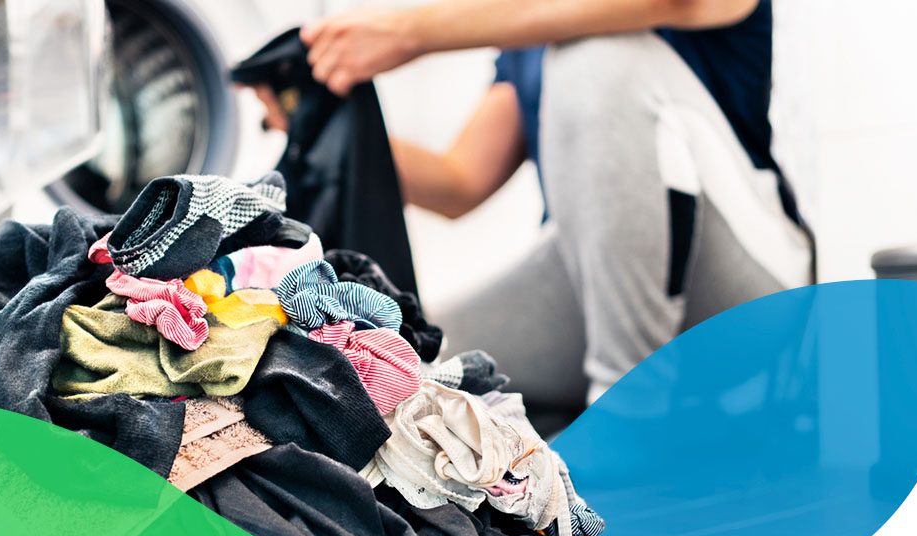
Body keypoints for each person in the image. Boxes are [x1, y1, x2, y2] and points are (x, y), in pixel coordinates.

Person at [252, 0, 813, 433]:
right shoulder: (527, 44)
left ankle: (628, 415)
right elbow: (460, 182)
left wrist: (408, 31)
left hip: (747, 294)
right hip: (594, 286)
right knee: (419, 365)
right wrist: (311, 125)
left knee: (593, 55)